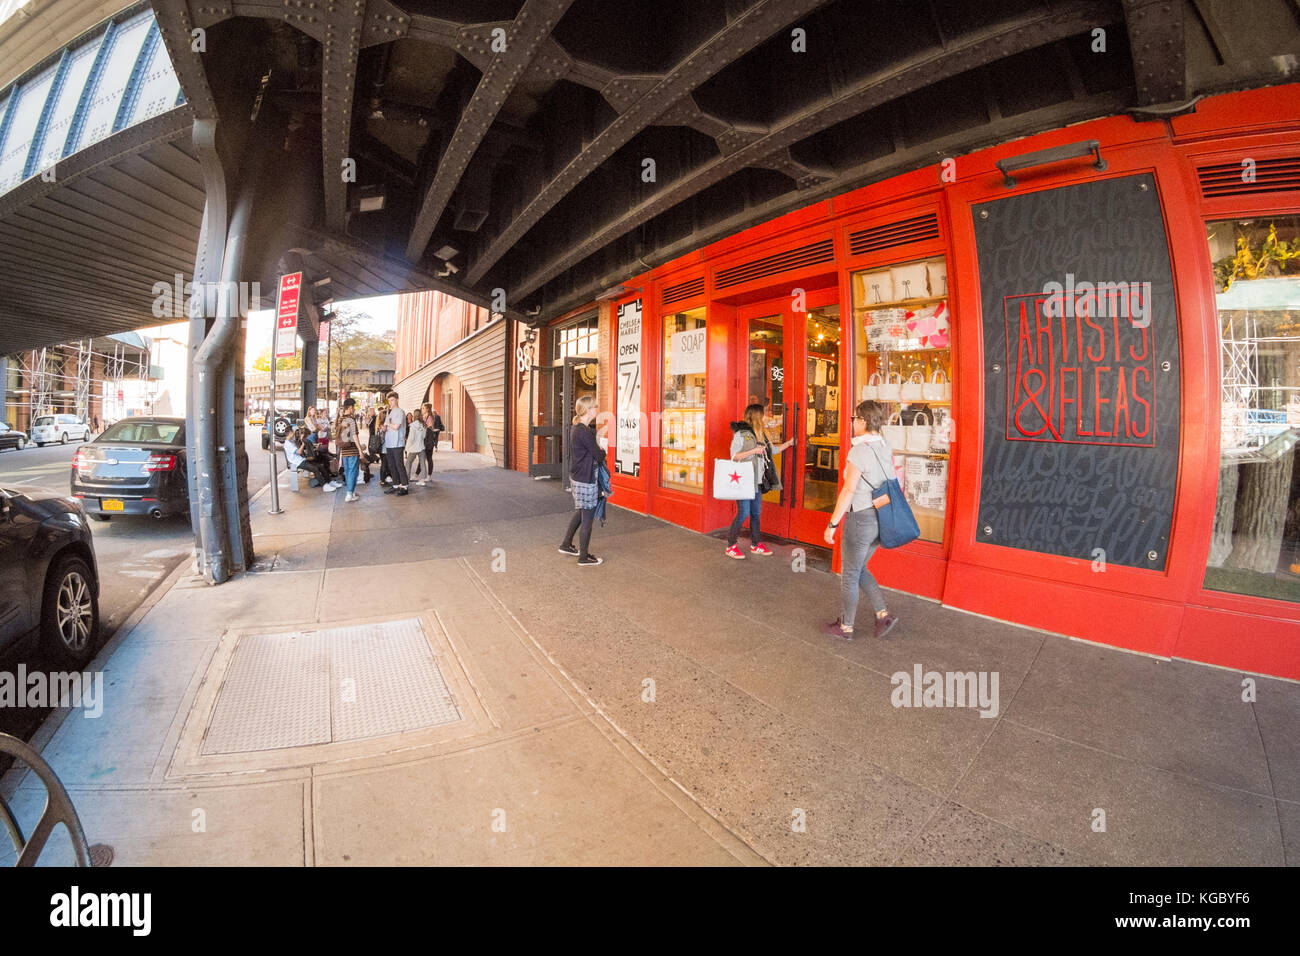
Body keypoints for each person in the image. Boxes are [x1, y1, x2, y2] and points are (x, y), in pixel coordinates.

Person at [822, 400, 899, 640]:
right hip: (882, 518)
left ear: (864, 421)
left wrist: (832, 524)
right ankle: (882, 615)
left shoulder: (859, 451)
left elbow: (848, 491)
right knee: (860, 568)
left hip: (861, 519)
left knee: (850, 573)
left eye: (855, 419)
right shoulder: (884, 447)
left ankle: (846, 627)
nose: (853, 422)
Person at [724, 403, 793, 559]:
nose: (766, 417)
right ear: (757, 416)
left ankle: (755, 544)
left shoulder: (762, 434)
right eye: (763, 414)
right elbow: (734, 456)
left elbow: (773, 450)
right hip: (744, 481)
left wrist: (789, 443)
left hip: (758, 481)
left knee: (756, 513)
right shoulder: (740, 434)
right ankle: (731, 545)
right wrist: (753, 451)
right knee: (744, 513)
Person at [558, 395, 608, 566]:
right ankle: (584, 557)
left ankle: (566, 544)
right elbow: (599, 456)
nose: (597, 408)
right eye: (595, 406)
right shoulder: (584, 432)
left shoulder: (577, 428)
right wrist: (603, 450)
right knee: (587, 517)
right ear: (587, 410)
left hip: (578, 477)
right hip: (586, 480)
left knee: (581, 511)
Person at [334, 397, 364, 502]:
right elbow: (355, 436)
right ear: (350, 408)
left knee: (348, 472)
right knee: (353, 472)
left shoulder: (340, 419)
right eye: (353, 407)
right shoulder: (351, 420)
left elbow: (342, 436)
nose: (354, 409)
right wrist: (360, 450)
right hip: (352, 450)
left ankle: (351, 492)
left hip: (344, 450)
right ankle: (349, 494)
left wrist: (341, 455)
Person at [382, 392, 409, 495]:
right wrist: (384, 427)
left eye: (392, 400)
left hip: (397, 443)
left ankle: (405, 486)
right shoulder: (390, 412)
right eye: (389, 401)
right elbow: (386, 426)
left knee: (399, 465)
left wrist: (388, 424)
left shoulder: (400, 412)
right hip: (389, 442)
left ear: (397, 399)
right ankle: (396, 485)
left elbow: (396, 426)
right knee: (392, 465)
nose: (390, 402)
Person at [405, 411, 428, 486]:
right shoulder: (423, 424)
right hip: (421, 447)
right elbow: (424, 436)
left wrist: (407, 447)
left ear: (414, 415)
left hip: (414, 448)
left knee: (408, 463)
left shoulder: (413, 425)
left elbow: (411, 438)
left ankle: (406, 479)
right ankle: (422, 480)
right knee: (422, 463)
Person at [420, 403, 437, 477]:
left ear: (427, 409)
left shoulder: (429, 417)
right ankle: (417, 474)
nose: (422, 409)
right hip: (425, 440)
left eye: (423, 408)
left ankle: (429, 475)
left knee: (428, 458)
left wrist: (423, 427)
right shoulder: (425, 416)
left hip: (428, 441)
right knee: (423, 457)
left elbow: (430, 428)